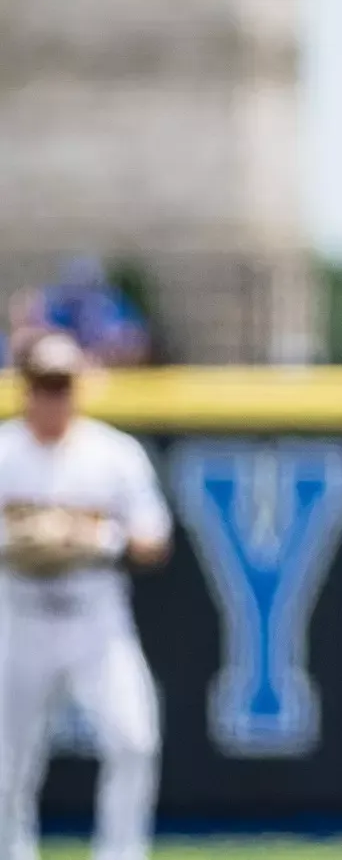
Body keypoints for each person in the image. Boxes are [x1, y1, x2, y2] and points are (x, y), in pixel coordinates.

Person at [0, 331, 170, 860]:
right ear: (25, 387)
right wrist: (22, 537)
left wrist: (94, 536)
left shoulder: (112, 452)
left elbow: (153, 539)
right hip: (18, 610)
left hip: (94, 614)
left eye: (63, 384)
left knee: (133, 739)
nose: (54, 397)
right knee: (7, 764)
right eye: (44, 384)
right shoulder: (5, 452)